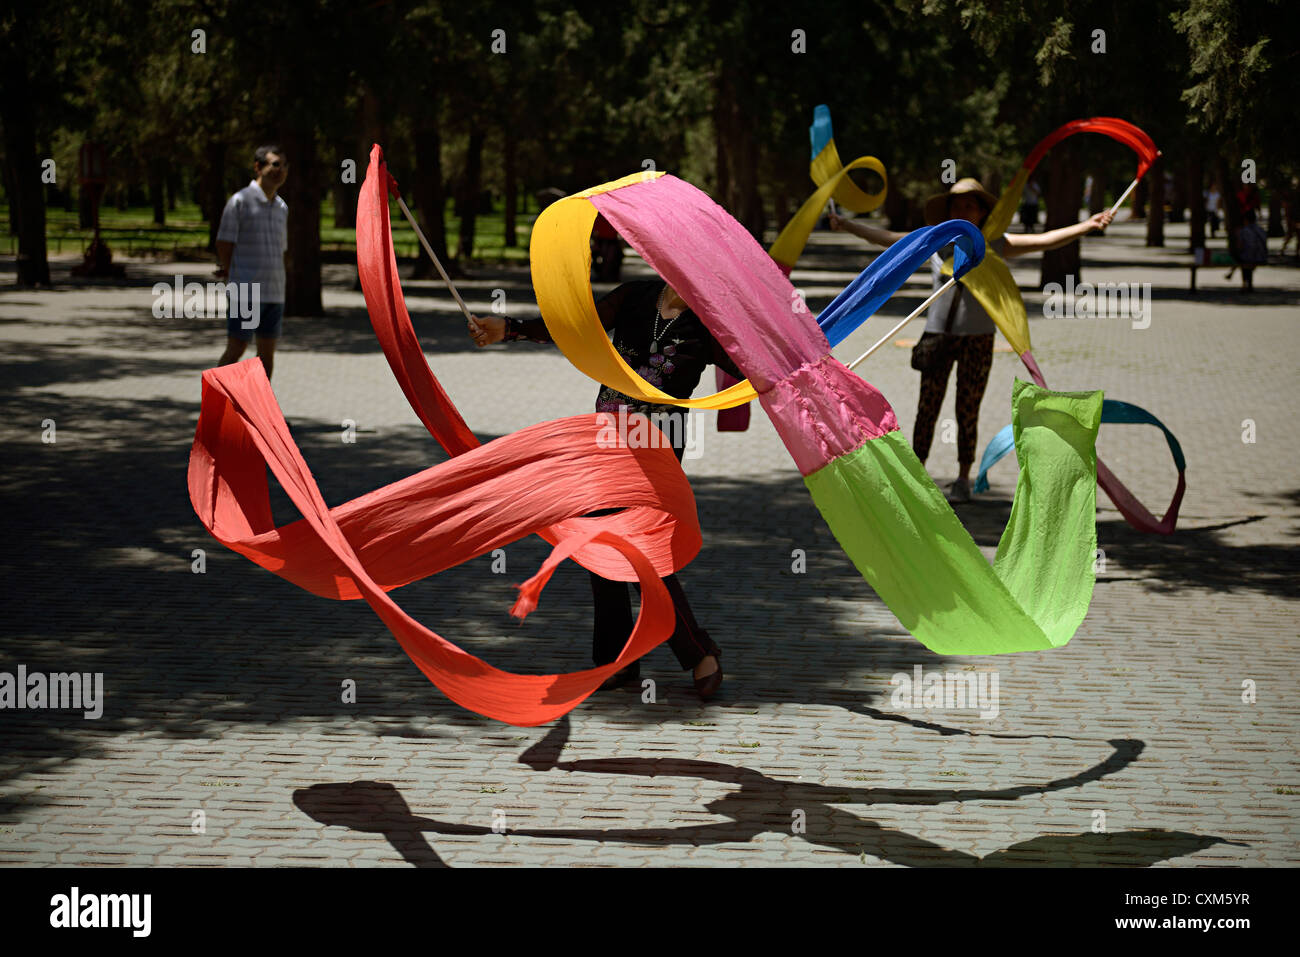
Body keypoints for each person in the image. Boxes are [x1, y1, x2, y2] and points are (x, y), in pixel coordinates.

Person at [466, 278, 741, 700]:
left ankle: (696, 649)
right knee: (600, 542)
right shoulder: (635, 295)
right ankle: (619, 660)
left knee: (640, 549)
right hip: (607, 436)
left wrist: (805, 366)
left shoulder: (711, 320)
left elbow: (754, 371)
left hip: (658, 445)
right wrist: (511, 328)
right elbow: (580, 327)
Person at [830, 177, 1113, 502]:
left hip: (978, 339)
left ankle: (963, 478)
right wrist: (848, 225)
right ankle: (916, 473)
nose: (963, 210)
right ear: (948, 211)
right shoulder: (934, 242)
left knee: (968, 409)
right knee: (927, 407)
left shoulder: (994, 244)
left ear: (981, 212)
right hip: (937, 337)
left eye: (970, 205)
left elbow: (1045, 240)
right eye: (957, 205)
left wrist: (1087, 225)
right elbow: (889, 240)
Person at [215, 145, 289, 379]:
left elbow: (281, 250)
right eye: (275, 164)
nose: (281, 170)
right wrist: (231, 273)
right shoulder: (240, 201)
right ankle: (216, 407)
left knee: (266, 356)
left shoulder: (281, 207)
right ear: (258, 167)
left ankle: (261, 414)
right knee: (236, 349)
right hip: (246, 291)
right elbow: (224, 243)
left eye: (284, 166)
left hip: (274, 293)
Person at [1235, 209, 1268, 291]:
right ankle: (1249, 283)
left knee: (1243, 259)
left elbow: (1240, 246)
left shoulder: (1244, 231)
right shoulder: (1261, 229)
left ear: (1245, 220)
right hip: (1262, 255)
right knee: (1247, 259)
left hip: (1251, 257)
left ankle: (1245, 283)